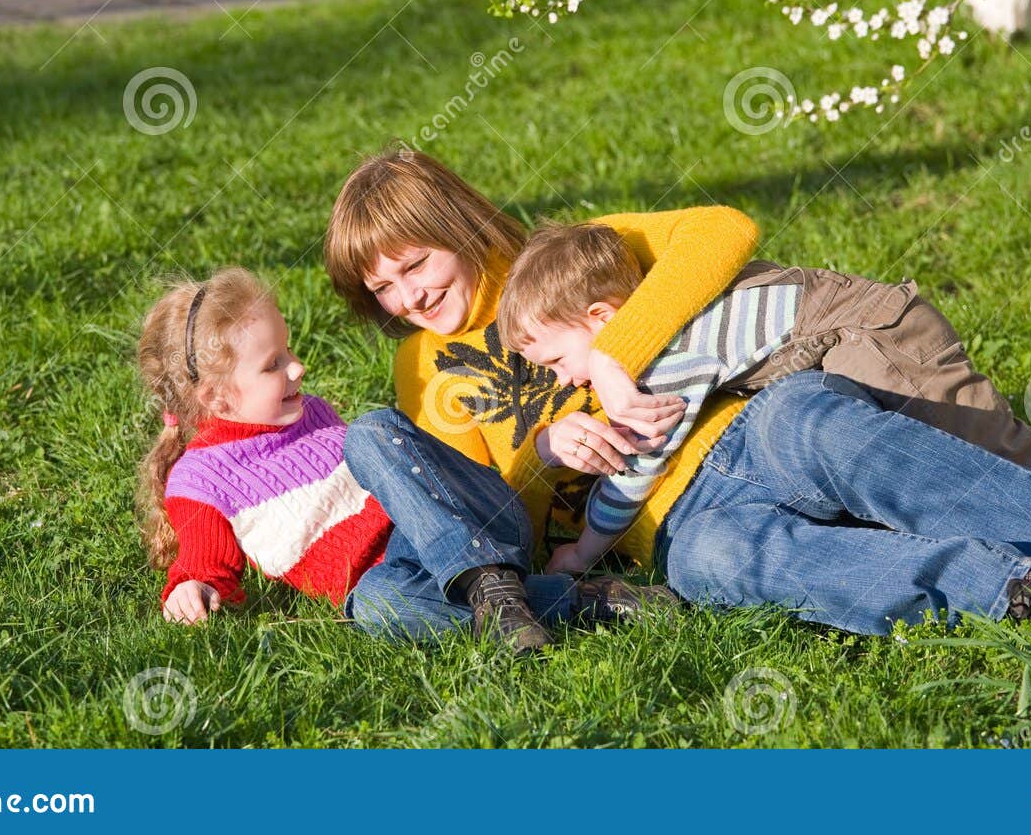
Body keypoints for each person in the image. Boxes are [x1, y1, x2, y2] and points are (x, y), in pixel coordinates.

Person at [322, 149, 1031, 642]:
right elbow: (493, 519)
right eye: (382, 294)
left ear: (457, 223)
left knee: (832, 427)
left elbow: (721, 231)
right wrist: (553, 453)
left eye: (413, 267)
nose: (406, 300)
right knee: (718, 566)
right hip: (667, 527)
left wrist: (613, 360)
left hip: (745, 431)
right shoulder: (419, 374)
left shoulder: (567, 250)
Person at [495, 220, 1031, 574]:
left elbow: (640, 460)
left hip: (875, 337)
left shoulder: (668, 355)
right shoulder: (654, 330)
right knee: (959, 462)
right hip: (850, 341)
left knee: (991, 447)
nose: (563, 379)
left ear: (603, 320)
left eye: (558, 358)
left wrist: (585, 550)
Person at [134, 266, 669, 654]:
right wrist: (192, 586)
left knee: (369, 433)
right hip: (401, 573)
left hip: (467, 516)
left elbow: (405, 465)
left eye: (289, 350)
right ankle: (571, 600)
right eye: (274, 364)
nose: (298, 369)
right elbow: (206, 561)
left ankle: (488, 581)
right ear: (216, 399)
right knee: (376, 606)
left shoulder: (313, 413)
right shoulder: (202, 478)